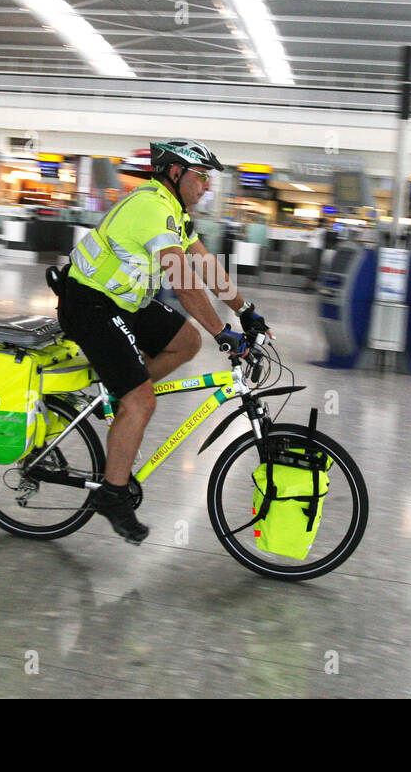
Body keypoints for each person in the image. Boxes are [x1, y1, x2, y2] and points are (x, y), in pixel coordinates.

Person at [57, 139, 269, 544]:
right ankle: (113, 495)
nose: (207, 186)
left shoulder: (175, 212)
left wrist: (244, 309)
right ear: (175, 173)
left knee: (186, 341)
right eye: (201, 176)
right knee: (143, 399)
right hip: (90, 303)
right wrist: (222, 333)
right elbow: (183, 280)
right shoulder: (151, 207)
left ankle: (121, 398)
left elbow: (204, 262)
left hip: (124, 300)